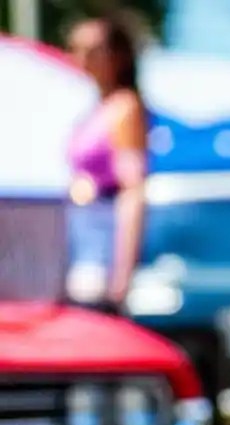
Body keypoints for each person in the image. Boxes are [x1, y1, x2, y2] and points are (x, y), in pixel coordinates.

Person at [64, 14, 148, 313]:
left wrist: (122, 271)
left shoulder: (125, 108)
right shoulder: (94, 109)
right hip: (80, 241)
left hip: (103, 247)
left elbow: (133, 190)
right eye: (77, 49)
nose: (83, 59)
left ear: (118, 57)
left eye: (93, 50)